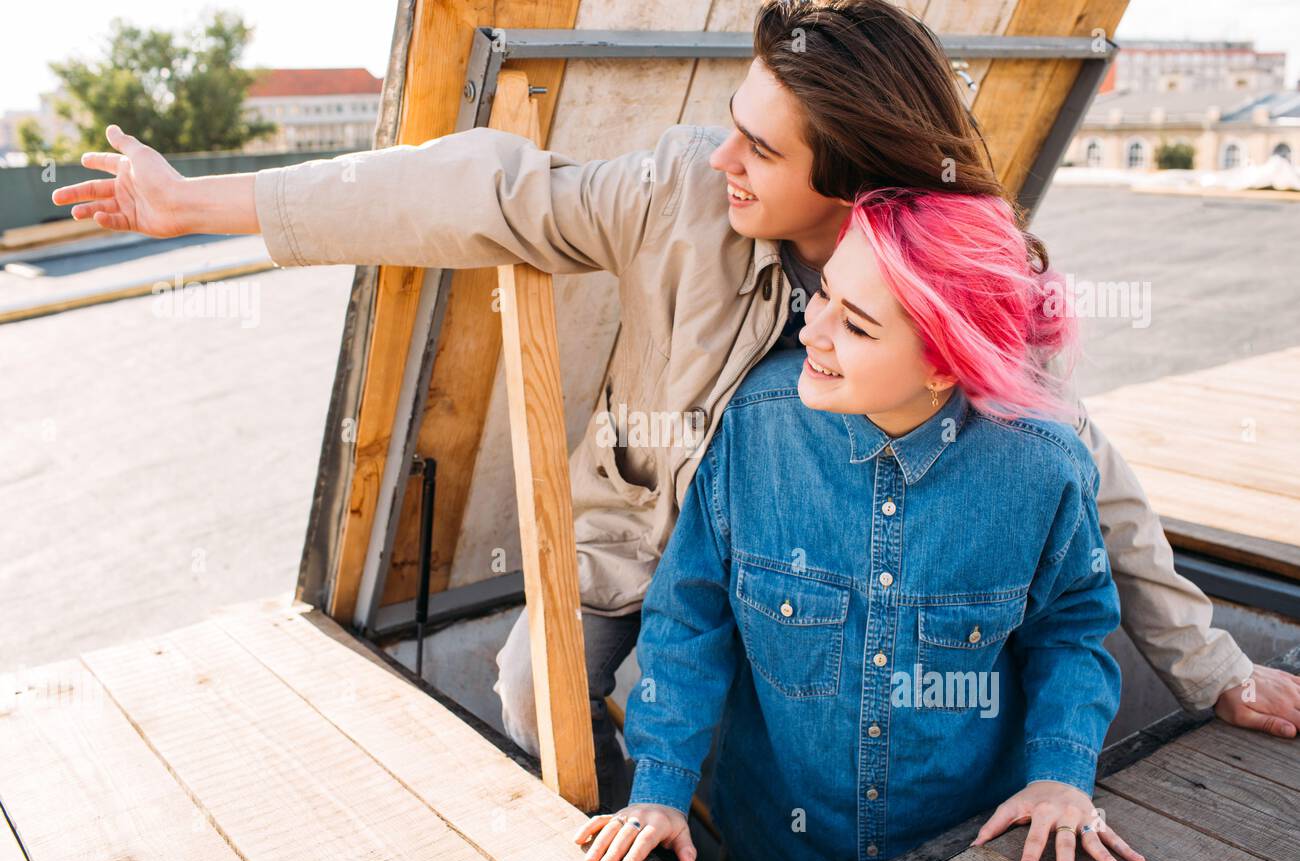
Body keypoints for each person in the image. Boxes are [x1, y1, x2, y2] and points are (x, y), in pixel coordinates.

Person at [52, 1, 1297, 815]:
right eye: (733, 126)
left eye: (760, 148)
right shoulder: (677, 195)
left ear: (855, 180)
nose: (722, 157)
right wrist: (202, 206)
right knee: (548, 701)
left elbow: (1075, 454)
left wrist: (1213, 666)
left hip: (823, 579)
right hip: (637, 550)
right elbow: (476, 187)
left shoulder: (938, 259)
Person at [576, 186, 1148, 861]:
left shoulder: (1044, 473)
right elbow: (689, 622)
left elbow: (1069, 634)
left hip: (964, 846)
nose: (812, 330)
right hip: (770, 844)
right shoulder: (749, 429)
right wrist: (662, 785)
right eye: (824, 294)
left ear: (943, 362)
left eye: (858, 325)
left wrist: (1059, 773)